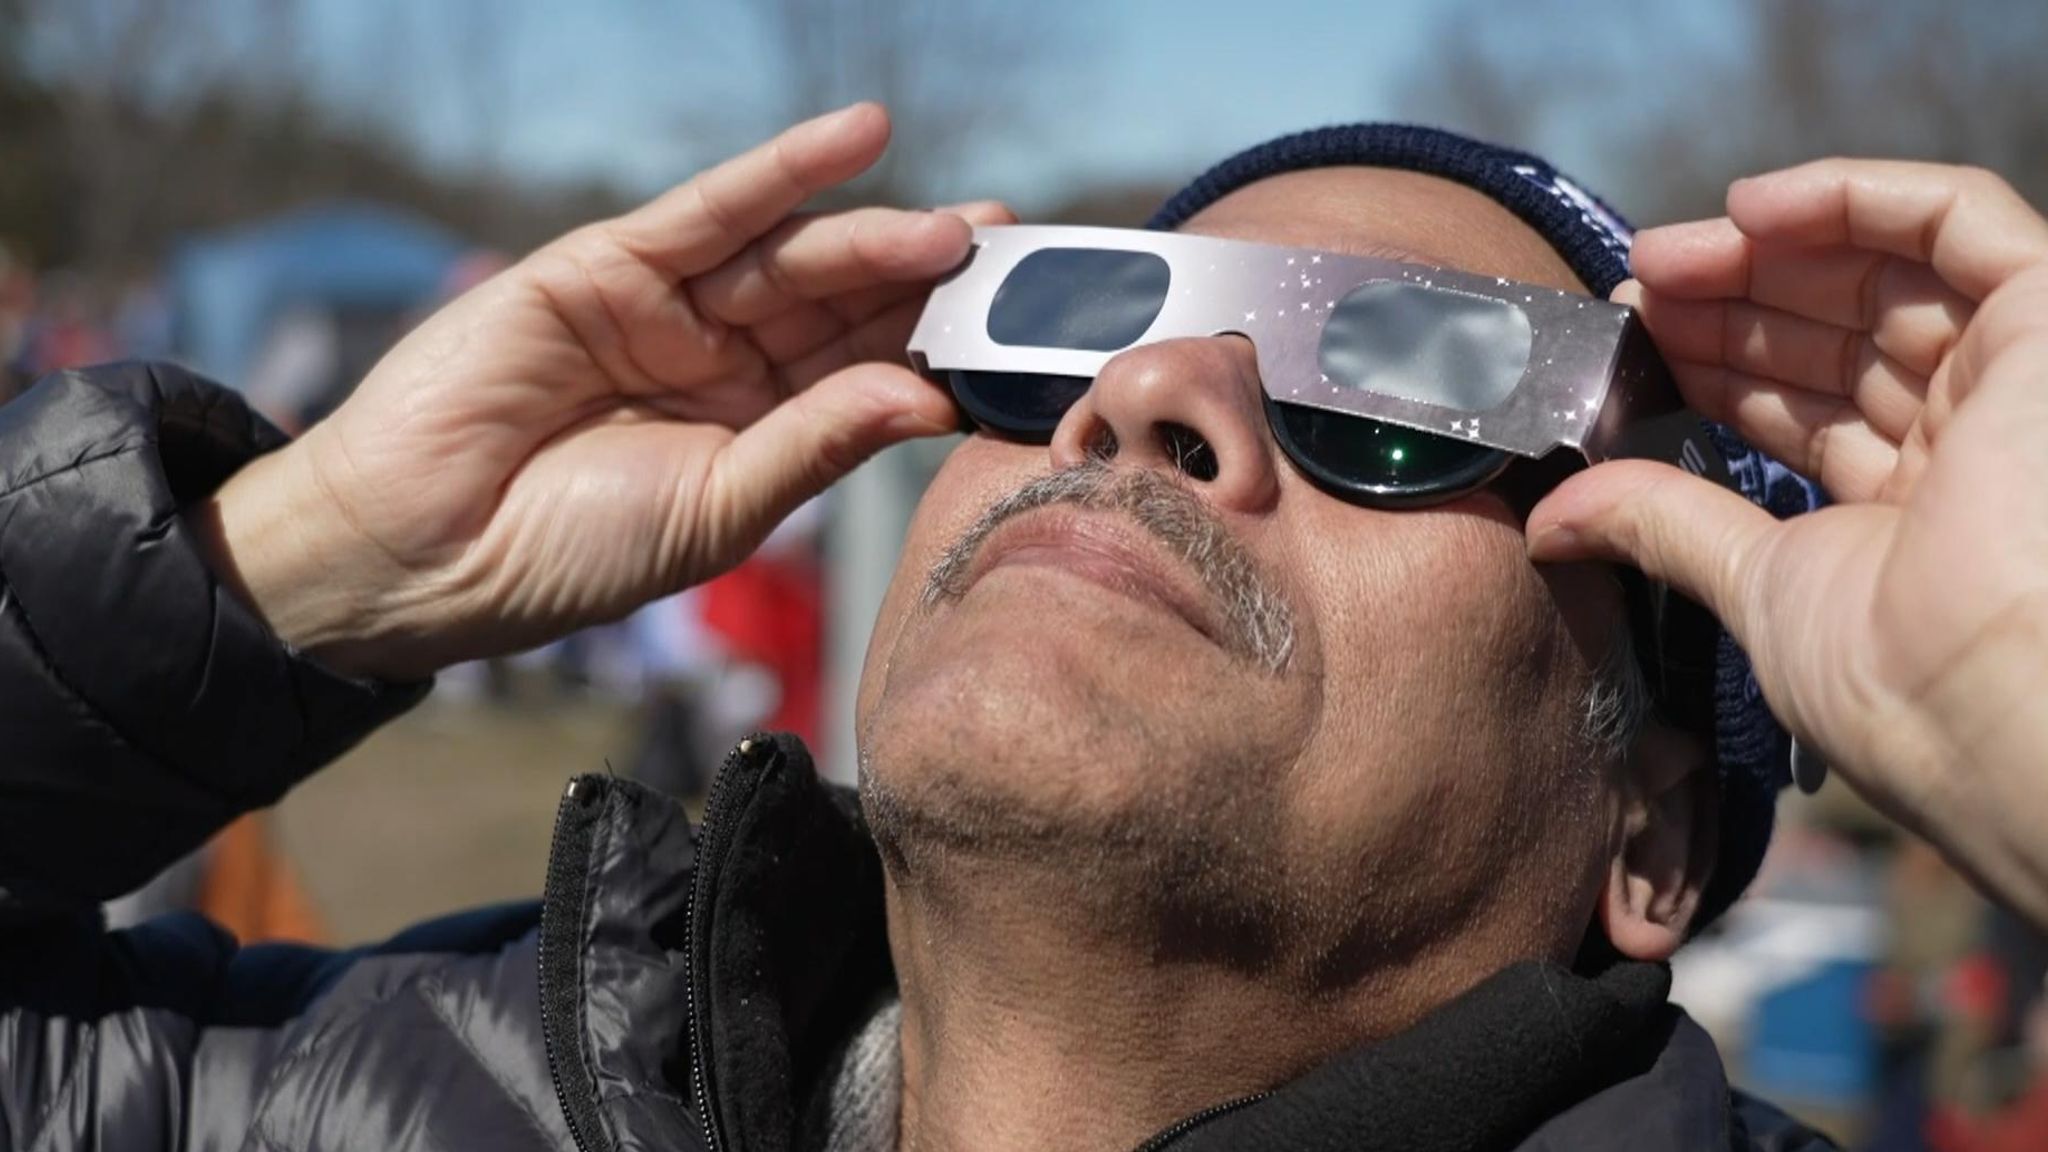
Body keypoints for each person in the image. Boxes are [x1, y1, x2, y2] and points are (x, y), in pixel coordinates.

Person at [3, 102, 2046, 1151]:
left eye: (1410, 396)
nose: (1142, 399)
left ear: (1653, 835)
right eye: (1074, 326)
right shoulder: (315, 1097)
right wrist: (290, 559)